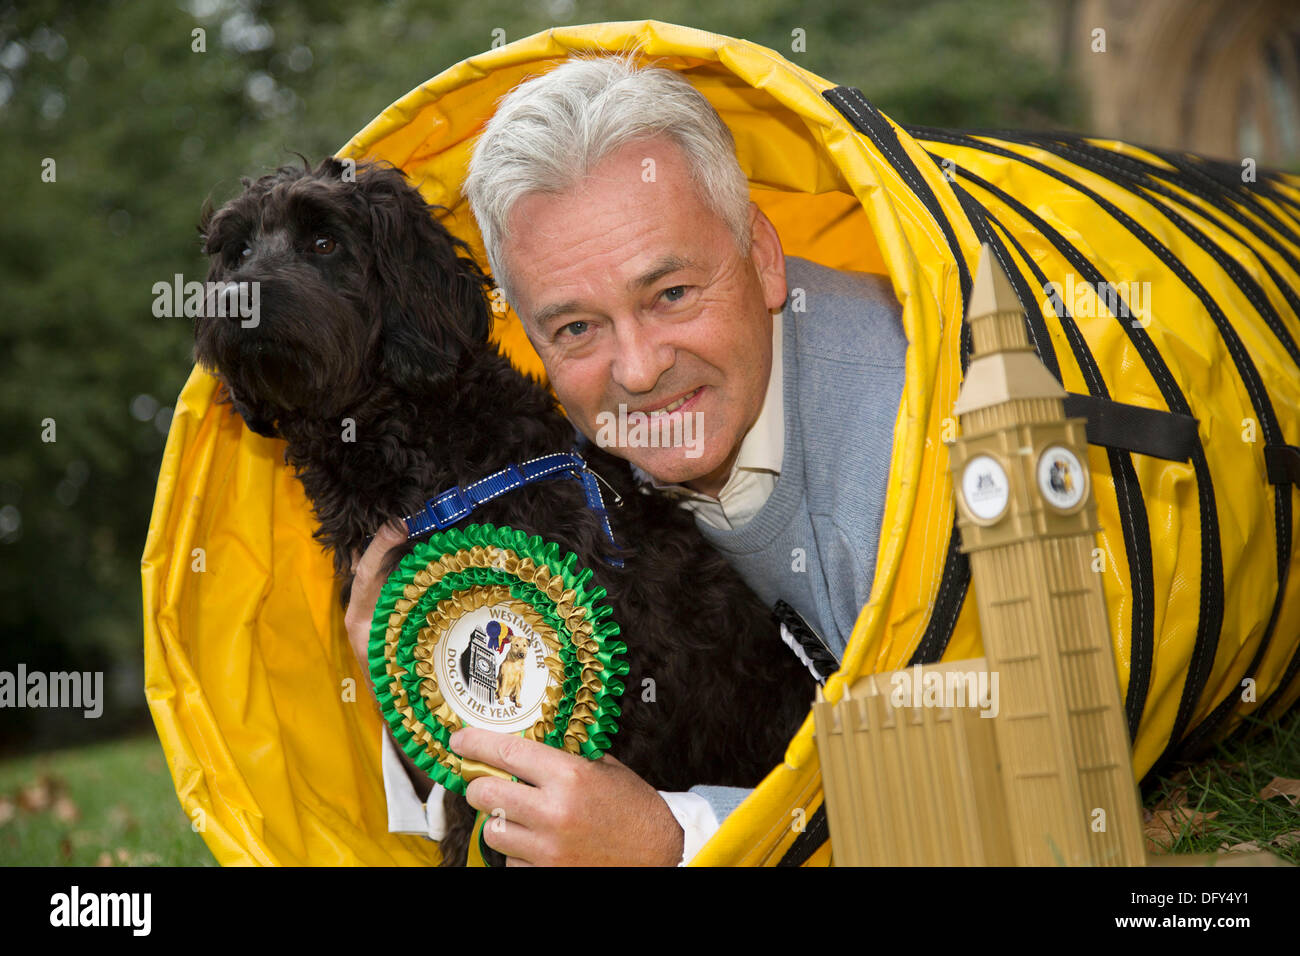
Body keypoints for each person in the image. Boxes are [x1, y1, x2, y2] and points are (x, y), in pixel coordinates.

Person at [343, 54, 909, 865]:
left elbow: (991, 799)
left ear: (763, 255)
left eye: (671, 294)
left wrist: (673, 839)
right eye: (576, 328)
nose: (638, 370)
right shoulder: (564, 474)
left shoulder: (909, 446)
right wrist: (420, 677)